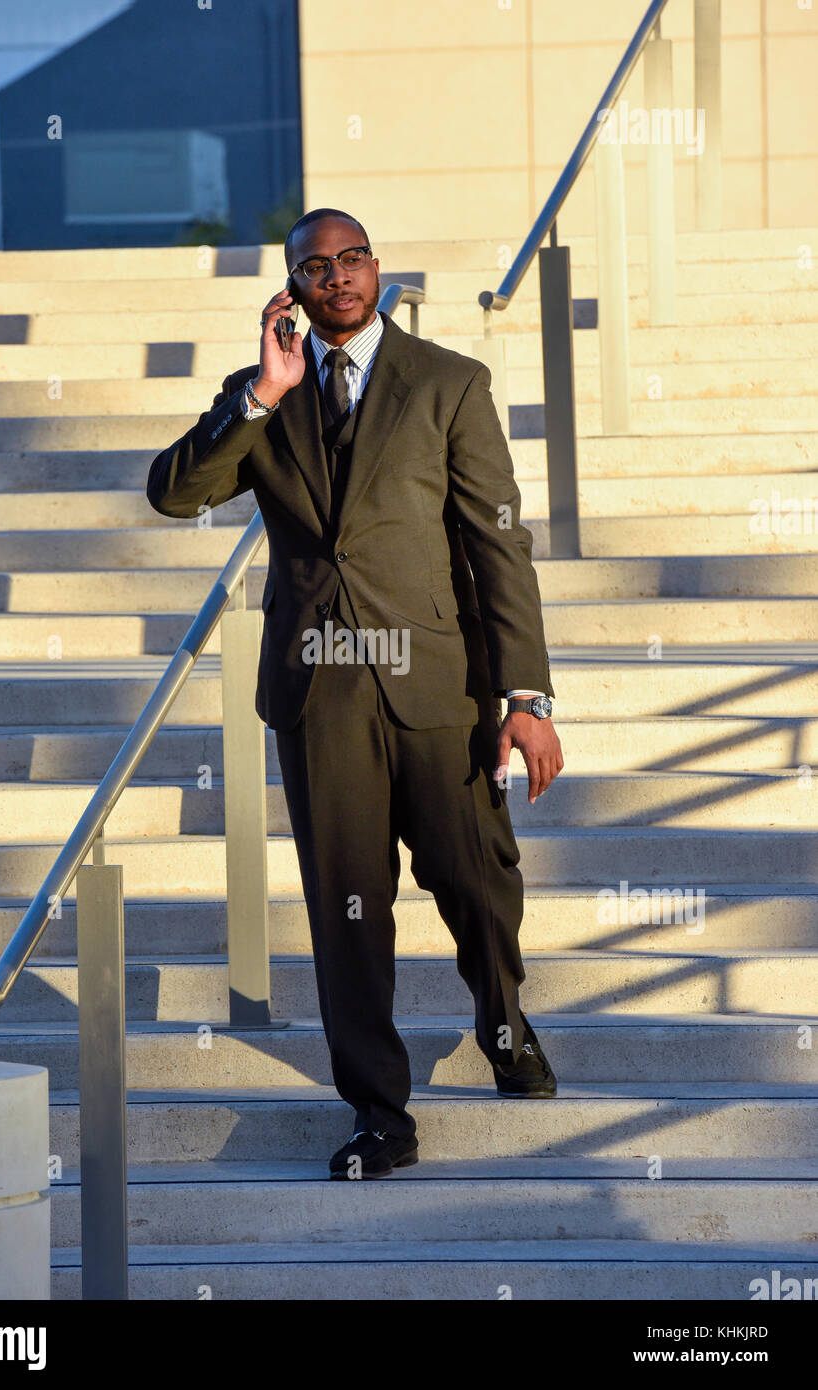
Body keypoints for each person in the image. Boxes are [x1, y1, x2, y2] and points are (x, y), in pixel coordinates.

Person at [146, 208, 564, 1180]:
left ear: (376, 266)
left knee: (473, 877)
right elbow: (172, 493)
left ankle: (501, 1018)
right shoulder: (262, 394)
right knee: (346, 908)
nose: (336, 275)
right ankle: (379, 1111)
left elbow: (496, 546)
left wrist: (526, 696)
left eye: (350, 257)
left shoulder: (449, 383)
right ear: (292, 285)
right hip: (318, 693)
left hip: (439, 686)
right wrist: (258, 392)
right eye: (313, 266)